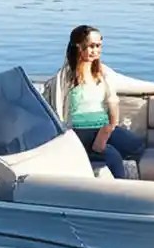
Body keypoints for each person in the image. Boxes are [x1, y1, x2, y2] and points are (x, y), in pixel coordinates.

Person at [43, 25, 145, 179]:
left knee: (137, 145)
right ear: (78, 46)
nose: (96, 50)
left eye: (98, 46)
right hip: (78, 132)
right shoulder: (64, 78)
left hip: (103, 127)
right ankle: (122, 192)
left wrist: (107, 130)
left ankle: (103, 153)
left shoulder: (102, 72)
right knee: (113, 156)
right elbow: (52, 109)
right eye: (91, 46)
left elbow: (116, 98)